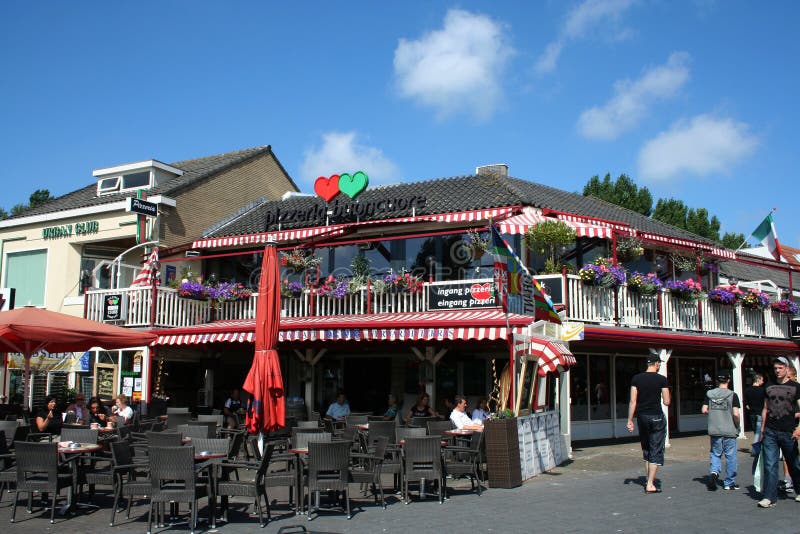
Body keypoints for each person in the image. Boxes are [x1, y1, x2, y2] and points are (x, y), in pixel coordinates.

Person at [757, 356, 800, 508]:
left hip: (788, 431)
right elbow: (765, 408)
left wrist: (799, 428)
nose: (777, 371)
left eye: (780, 368)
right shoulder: (768, 386)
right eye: (775, 368)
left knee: (793, 463)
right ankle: (769, 497)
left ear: (787, 369)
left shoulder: (796, 387)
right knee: (770, 464)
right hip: (770, 431)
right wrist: (762, 430)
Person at [626, 353, 670, 494]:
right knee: (656, 449)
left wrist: (629, 420)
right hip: (656, 416)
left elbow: (633, 401)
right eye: (659, 363)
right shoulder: (662, 380)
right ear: (656, 364)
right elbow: (667, 401)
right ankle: (650, 484)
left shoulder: (636, 379)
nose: (660, 365)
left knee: (646, 449)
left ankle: (648, 479)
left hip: (642, 416)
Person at [702, 369, 740, 491]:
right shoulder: (732, 395)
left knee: (715, 453)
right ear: (728, 380)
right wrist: (737, 425)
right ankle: (729, 482)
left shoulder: (709, 394)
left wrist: (713, 412)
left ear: (717, 380)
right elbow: (735, 413)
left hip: (715, 429)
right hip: (729, 429)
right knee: (730, 456)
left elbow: (704, 409)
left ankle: (714, 472)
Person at [744, 373, 766, 457]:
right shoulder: (763, 390)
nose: (763, 381)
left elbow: (746, 404)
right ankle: (755, 450)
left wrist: (751, 408)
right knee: (758, 433)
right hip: (760, 413)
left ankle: (758, 448)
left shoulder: (747, 390)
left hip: (752, 413)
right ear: (758, 379)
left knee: (756, 432)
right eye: (762, 379)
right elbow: (765, 403)